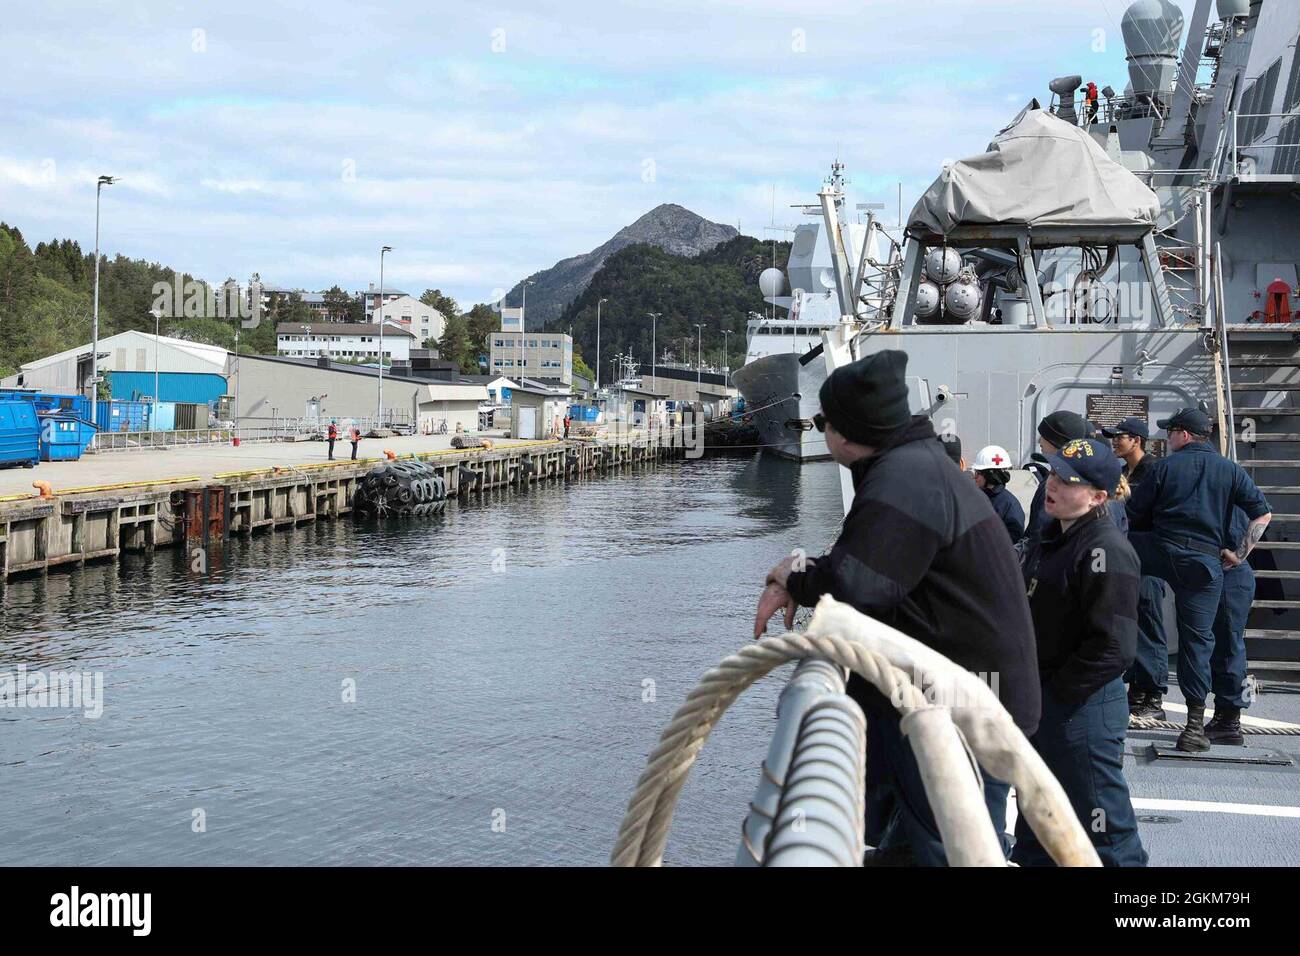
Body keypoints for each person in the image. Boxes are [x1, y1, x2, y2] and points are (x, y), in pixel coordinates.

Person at [754, 350, 1040, 866]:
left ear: (845, 430)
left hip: (961, 706)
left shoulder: (903, 477)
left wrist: (794, 580)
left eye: (823, 422)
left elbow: (859, 585)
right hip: (965, 692)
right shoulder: (912, 467)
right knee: (924, 842)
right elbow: (865, 560)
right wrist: (798, 575)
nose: (821, 432)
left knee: (955, 846)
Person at [1013, 437, 1147, 867]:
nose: (1053, 484)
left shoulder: (1105, 549)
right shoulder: (1053, 538)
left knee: (1106, 834)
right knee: (1038, 828)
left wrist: (1054, 699)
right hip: (1050, 706)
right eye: (1053, 473)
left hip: (1080, 713)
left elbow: (1114, 647)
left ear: (1097, 497)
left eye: (1068, 481)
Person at [1126, 408, 1272, 751]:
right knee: (1211, 642)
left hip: (1212, 569)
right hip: (1216, 566)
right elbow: (1262, 513)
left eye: (1170, 431)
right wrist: (1240, 553)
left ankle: (1227, 718)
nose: (1165, 438)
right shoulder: (1231, 475)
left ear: (1184, 434)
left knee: (1223, 643)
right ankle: (1211, 720)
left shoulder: (1166, 470)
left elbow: (1133, 517)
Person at [1102, 417, 1168, 718]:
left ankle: (1153, 695)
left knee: (1149, 624)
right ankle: (1138, 689)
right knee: (1132, 623)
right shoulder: (1121, 472)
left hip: (1146, 561)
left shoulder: (1154, 471)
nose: (1115, 441)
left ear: (1137, 440)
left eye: (1120, 437)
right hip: (1127, 559)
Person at [1207, 506, 1256, 745]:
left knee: (1229, 647)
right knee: (1226, 646)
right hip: (1229, 572)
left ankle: (1230, 719)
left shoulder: (1229, 496)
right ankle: (1226, 716)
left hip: (1231, 573)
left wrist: (1239, 554)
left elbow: (1263, 516)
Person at [1021, 411, 1093, 553]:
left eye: (1043, 436)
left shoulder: (1056, 484)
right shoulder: (1074, 479)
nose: (1039, 441)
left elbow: (1039, 534)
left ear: (1055, 441)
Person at [971, 444, 1025, 543]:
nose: (975, 477)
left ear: (989, 475)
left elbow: (1013, 540)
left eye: (977, 473)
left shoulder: (1009, 504)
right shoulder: (978, 497)